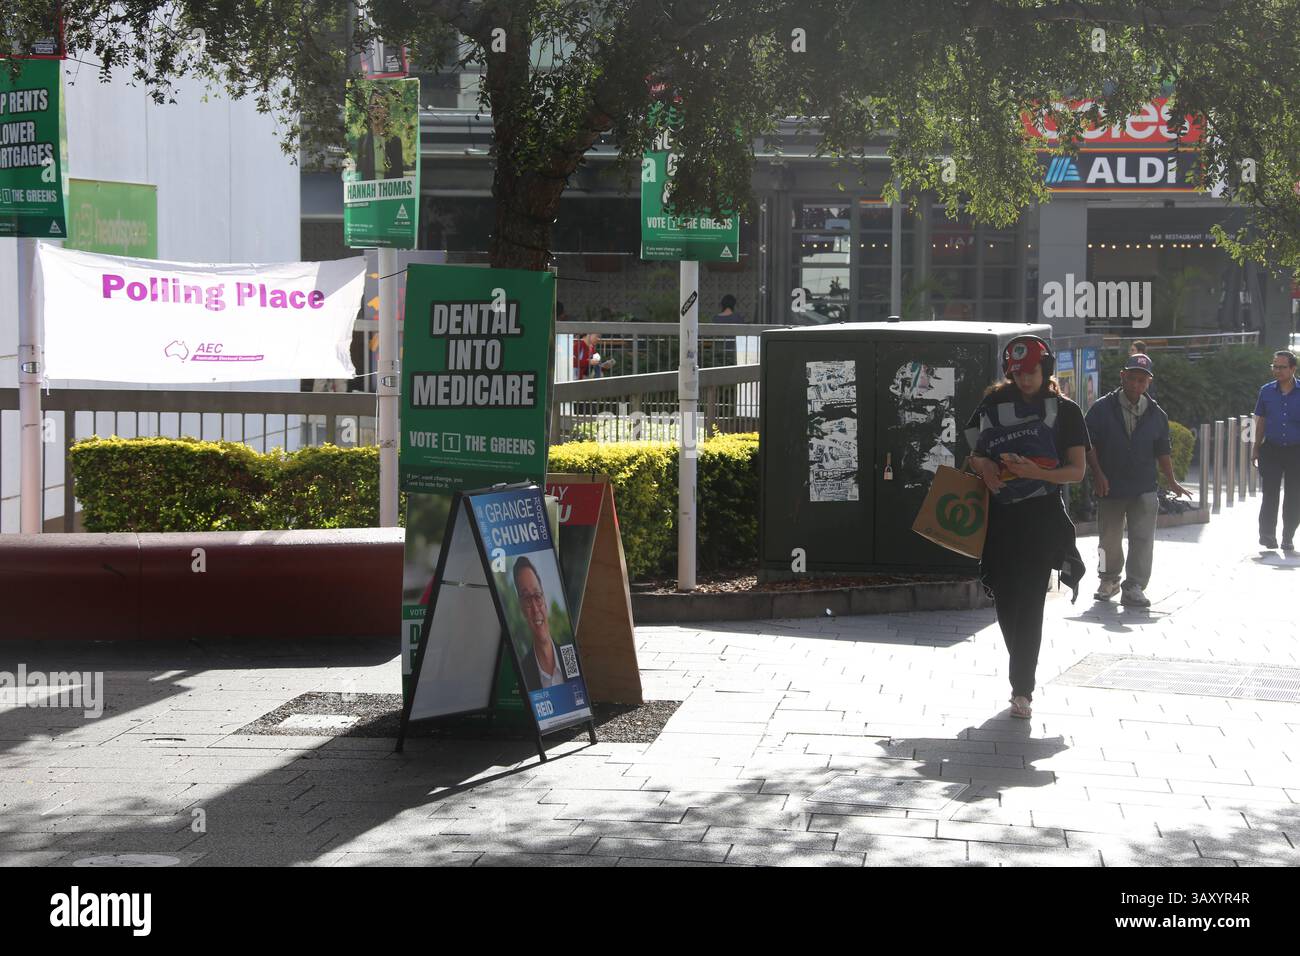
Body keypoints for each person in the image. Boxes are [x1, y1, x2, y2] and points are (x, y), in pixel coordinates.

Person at [964, 335, 1088, 720]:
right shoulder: (993, 405)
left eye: (1032, 372)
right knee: (1004, 600)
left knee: (1031, 602)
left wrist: (1036, 471)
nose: (1026, 380)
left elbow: (1077, 471)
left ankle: (1022, 689)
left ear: (1046, 370)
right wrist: (983, 466)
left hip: (1041, 516)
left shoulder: (1066, 412)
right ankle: (1020, 668)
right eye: (1018, 374)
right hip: (1000, 518)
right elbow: (972, 454)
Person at [1085, 353, 1191, 607]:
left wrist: (1172, 482)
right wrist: (1097, 473)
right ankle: (1107, 579)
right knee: (1107, 539)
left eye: (1141, 381)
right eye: (1131, 378)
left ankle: (1134, 585)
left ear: (1149, 383)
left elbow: (1163, 451)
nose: (1135, 385)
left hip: (1144, 486)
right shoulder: (1102, 408)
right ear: (1122, 376)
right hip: (1110, 485)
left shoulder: (1157, 414)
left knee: (1142, 538)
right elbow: (1088, 444)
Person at [1253, 349, 1300, 549]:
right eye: (1275, 366)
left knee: (1294, 495)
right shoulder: (1266, 391)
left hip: (1296, 451)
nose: (1277, 371)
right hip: (1271, 449)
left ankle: (1287, 536)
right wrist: (1256, 447)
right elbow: (1261, 420)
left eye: (1282, 367)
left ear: (1293, 368)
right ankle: (1267, 535)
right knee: (1270, 493)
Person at [510, 557, 567, 692]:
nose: (536, 609)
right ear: (521, 607)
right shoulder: (523, 673)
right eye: (527, 599)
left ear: (545, 601)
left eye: (537, 596)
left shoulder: (570, 656)